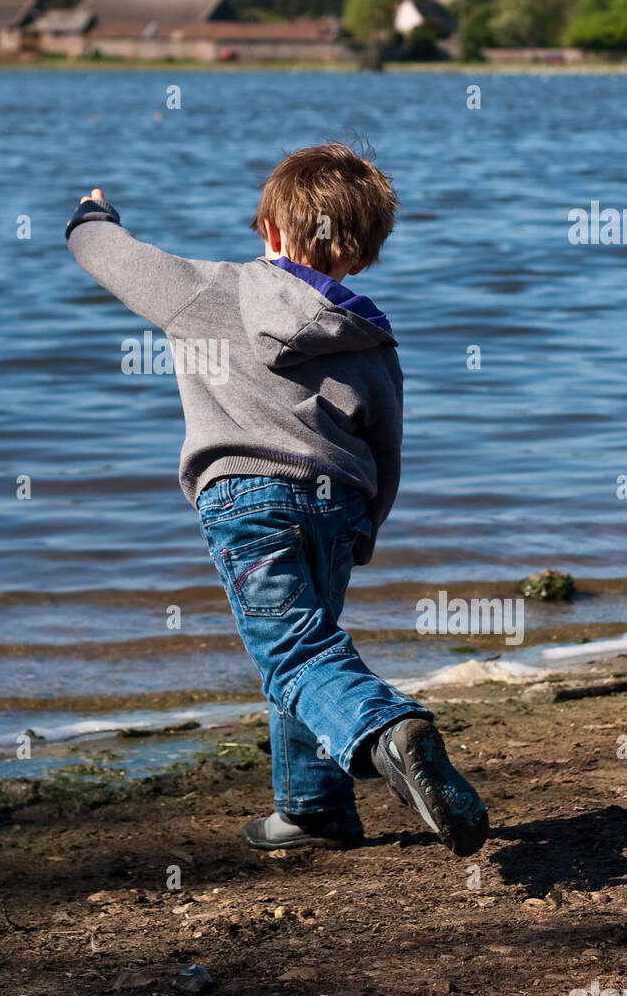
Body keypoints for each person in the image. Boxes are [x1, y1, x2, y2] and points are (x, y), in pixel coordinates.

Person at [65, 142, 488, 857]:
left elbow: (106, 256)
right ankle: (312, 809)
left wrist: (89, 216)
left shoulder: (208, 291)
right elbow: (386, 446)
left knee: (292, 654)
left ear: (269, 230)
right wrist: (367, 527)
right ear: (360, 254)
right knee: (304, 643)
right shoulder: (368, 339)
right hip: (339, 502)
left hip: (247, 502)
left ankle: (387, 729)